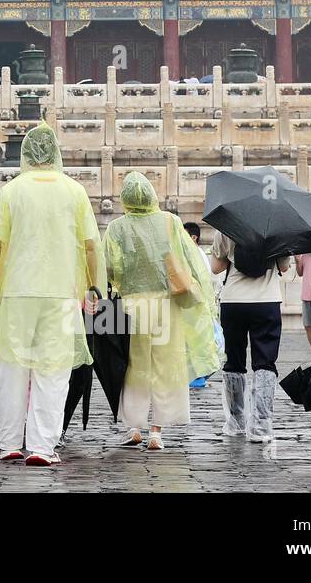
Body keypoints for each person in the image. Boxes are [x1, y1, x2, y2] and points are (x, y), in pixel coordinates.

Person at [0, 122, 105, 466]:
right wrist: (95, 287)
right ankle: (43, 446)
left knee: (9, 368)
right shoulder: (75, 192)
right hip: (61, 293)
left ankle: (8, 443)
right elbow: (92, 246)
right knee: (53, 369)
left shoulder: (11, 191)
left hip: (18, 292)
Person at [103, 173, 219, 450]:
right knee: (167, 366)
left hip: (132, 307)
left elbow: (110, 268)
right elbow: (189, 260)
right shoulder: (170, 221)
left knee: (134, 367)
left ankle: (134, 426)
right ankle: (157, 430)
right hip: (166, 306)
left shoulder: (117, 227)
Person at [209, 230, 290, 444]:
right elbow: (283, 267)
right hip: (267, 301)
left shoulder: (225, 226)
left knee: (233, 361)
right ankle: (261, 425)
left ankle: (236, 421)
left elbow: (216, 267)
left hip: (233, 301)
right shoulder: (278, 228)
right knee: (265, 362)